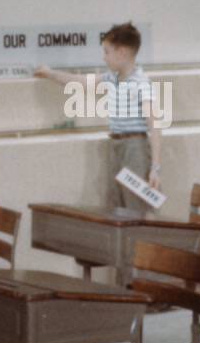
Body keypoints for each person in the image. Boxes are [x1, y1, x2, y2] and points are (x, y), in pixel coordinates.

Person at [35, 22, 161, 212]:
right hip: (116, 146)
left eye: (107, 52)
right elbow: (81, 82)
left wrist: (155, 167)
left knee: (135, 205)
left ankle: (138, 242)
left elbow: (155, 125)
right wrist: (51, 74)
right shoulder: (112, 77)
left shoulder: (141, 83)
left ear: (122, 52)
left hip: (135, 148)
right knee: (116, 204)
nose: (104, 58)